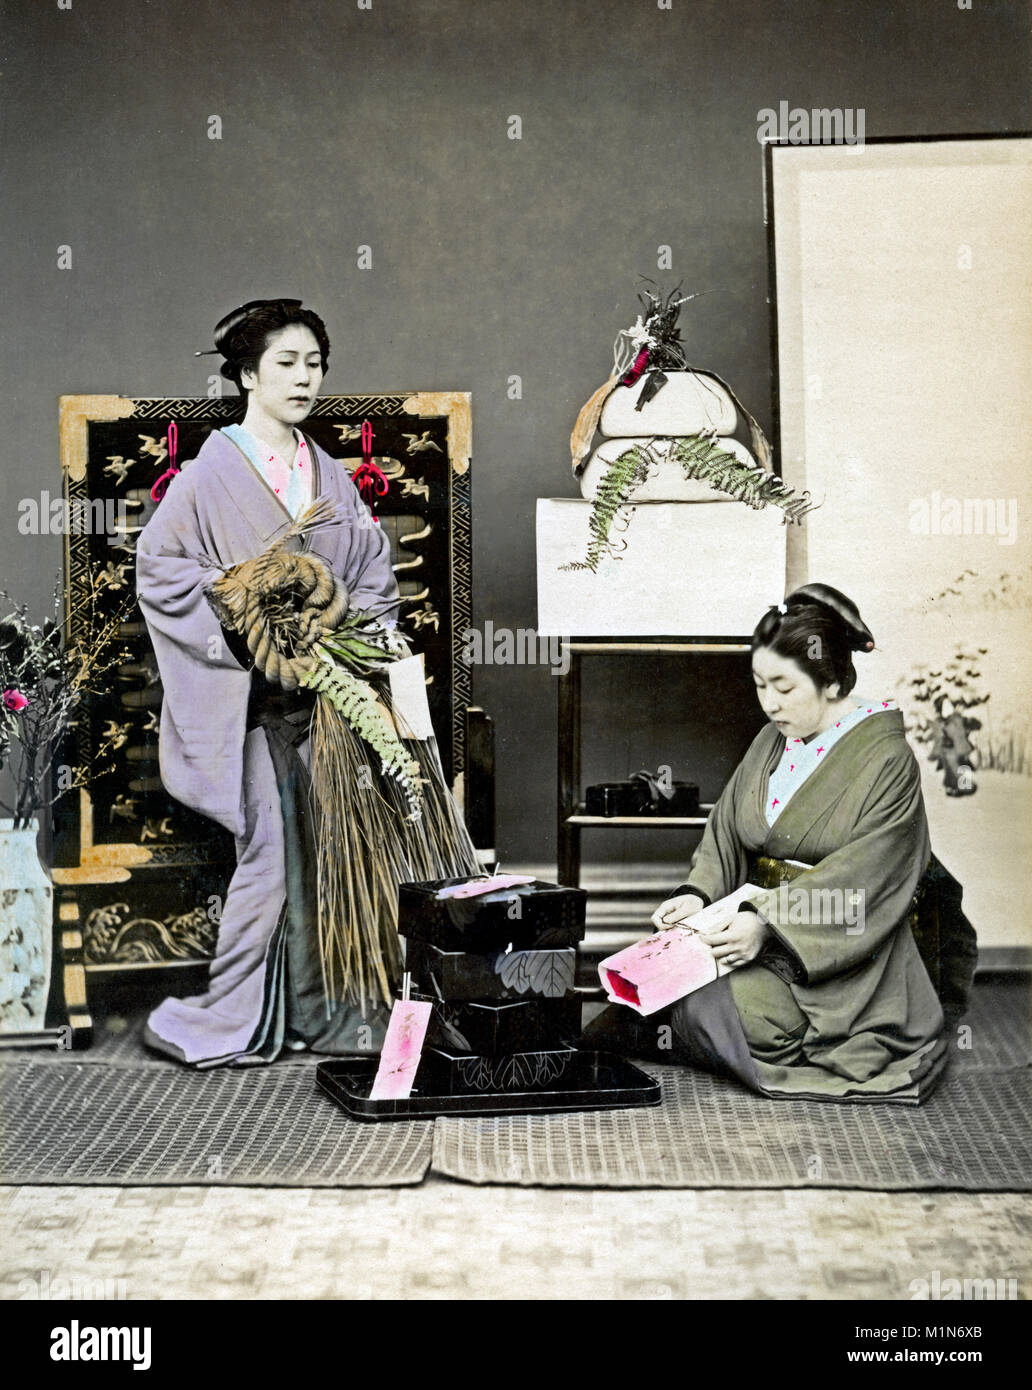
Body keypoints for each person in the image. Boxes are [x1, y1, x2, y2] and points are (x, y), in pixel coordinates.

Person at [135, 298, 480, 1067]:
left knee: (339, 845)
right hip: (253, 697)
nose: (303, 378)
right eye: (286, 363)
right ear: (248, 374)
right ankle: (233, 1012)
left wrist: (342, 633)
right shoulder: (205, 476)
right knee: (270, 851)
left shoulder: (325, 474)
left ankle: (327, 1012)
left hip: (331, 694)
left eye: (313, 364)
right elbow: (159, 573)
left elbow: (372, 577)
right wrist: (244, 594)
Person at [586, 583, 977, 1103]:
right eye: (759, 685)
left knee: (726, 1013)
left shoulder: (886, 758)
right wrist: (697, 895)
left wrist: (769, 924)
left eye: (785, 688)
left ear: (832, 681)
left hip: (841, 955)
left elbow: (866, 876)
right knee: (662, 987)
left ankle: (789, 1026)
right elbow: (726, 829)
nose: (769, 704)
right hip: (751, 925)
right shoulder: (774, 737)